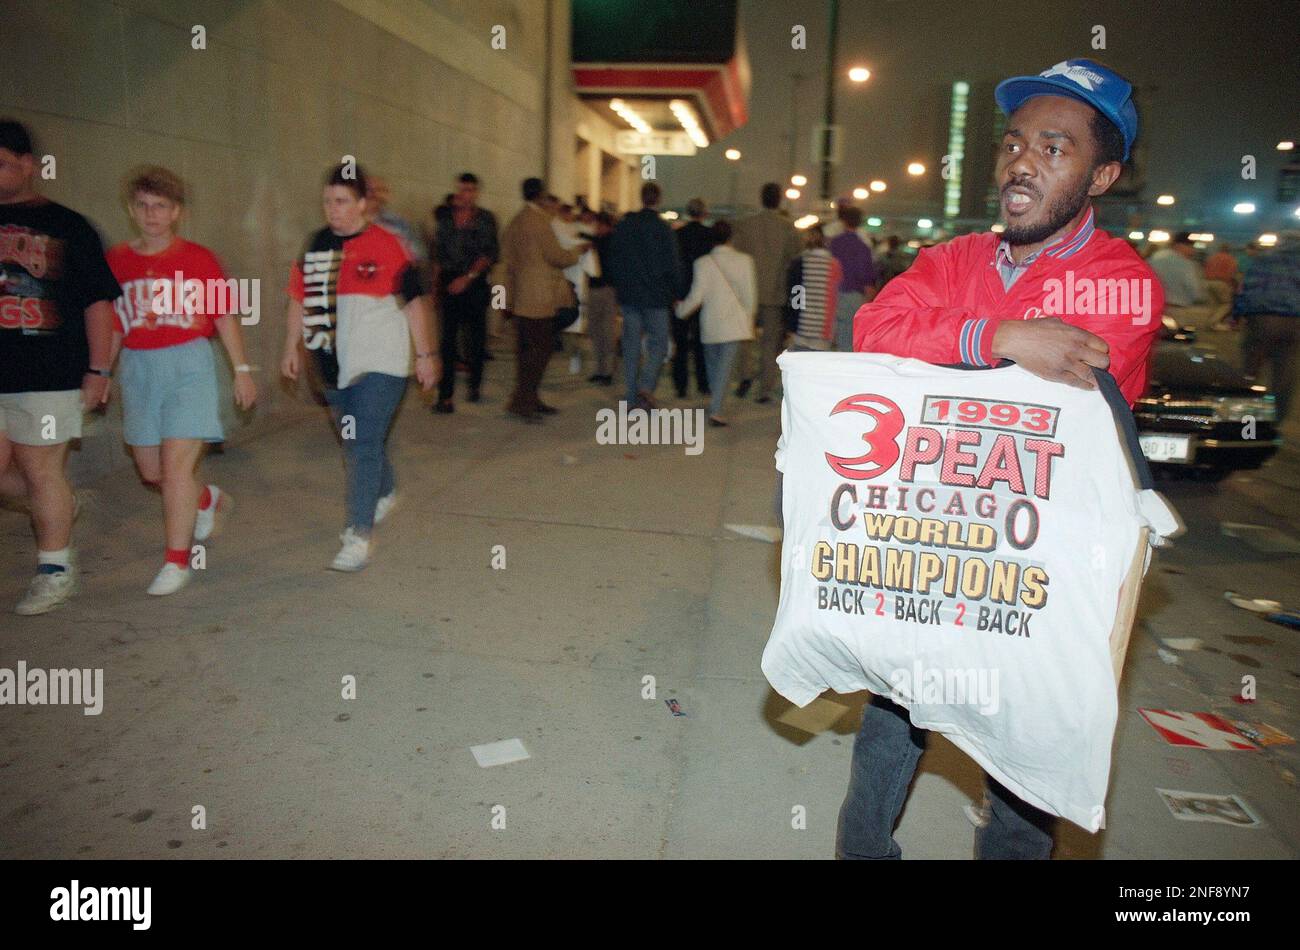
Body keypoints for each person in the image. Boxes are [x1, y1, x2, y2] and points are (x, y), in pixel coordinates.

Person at [846, 59, 1162, 859]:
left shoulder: (1122, 284)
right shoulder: (950, 261)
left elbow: (1070, 380)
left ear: (1103, 174)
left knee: (1024, 771)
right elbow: (872, 333)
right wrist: (998, 336)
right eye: (1014, 143)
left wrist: (951, 342)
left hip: (1038, 569)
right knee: (889, 723)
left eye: (1055, 147)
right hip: (929, 543)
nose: (1022, 161)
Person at [105, 165, 258, 596]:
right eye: (143, 206)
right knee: (151, 471)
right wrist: (101, 371)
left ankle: (177, 560)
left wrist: (241, 371)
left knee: (174, 470)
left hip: (189, 365)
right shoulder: (117, 260)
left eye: (161, 206)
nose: (152, 214)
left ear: (176, 212)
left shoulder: (198, 258)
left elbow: (225, 316)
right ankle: (207, 499)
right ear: (132, 210)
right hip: (138, 367)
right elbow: (114, 323)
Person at [280, 163, 437, 571]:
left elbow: (416, 303)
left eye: (342, 201)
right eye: (328, 202)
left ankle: (358, 533)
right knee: (355, 440)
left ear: (363, 204)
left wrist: (424, 355)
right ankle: (385, 489)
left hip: (382, 362)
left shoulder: (388, 244)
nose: (333, 210)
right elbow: (299, 296)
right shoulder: (316, 245)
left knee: (362, 445)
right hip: (331, 359)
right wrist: (290, 347)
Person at [0, 119, 119, 615]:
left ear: (29, 166)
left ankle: (55, 567)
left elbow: (98, 304)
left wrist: (100, 369)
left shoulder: (69, 226)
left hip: (47, 374)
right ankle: (63, 509)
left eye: (3, 163)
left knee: (39, 468)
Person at [498, 177, 585, 423]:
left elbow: (505, 261)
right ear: (541, 196)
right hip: (539, 298)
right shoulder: (539, 222)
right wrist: (577, 252)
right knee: (541, 351)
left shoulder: (515, 221)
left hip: (520, 297)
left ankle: (528, 399)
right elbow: (557, 256)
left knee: (525, 352)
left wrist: (502, 301)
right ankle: (523, 403)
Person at [606, 182, 681, 411]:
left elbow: (612, 258)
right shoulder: (663, 229)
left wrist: (618, 286)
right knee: (658, 344)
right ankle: (646, 388)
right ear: (658, 200)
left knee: (631, 345)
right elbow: (673, 264)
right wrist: (675, 292)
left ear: (641, 197)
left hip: (629, 296)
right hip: (656, 298)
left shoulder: (624, 226)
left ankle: (630, 396)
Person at [675, 220, 755, 427]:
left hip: (710, 325)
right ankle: (716, 409)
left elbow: (697, 296)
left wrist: (681, 311)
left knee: (714, 368)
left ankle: (716, 404)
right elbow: (750, 296)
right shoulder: (745, 261)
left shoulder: (702, 262)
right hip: (734, 325)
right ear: (731, 237)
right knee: (725, 369)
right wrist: (749, 319)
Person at [432, 172, 498, 412]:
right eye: (461, 189)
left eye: (470, 190)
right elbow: (438, 254)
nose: (465, 194)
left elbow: (489, 253)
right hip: (450, 284)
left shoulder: (486, 219)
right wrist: (435, 286)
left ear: (476, 193)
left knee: (475, 340)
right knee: (447, 342)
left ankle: (474, 384)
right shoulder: (446, 220)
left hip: (475, 284)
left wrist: (468, 278)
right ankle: (445, 395)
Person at [731, 182, 802, 403]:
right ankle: (764, 388)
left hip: (748, 291)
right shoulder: (788, 228)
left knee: (745, 337)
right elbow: (795, 259)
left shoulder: (745, 225)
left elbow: (735, 256)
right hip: (775, 292)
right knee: (770, 342)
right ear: (779, 199)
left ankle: (744, 374)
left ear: (761, 198)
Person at [1236, 231, 1300, 421]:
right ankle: (1274, 421)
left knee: (1250, 371)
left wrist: (1239, 314)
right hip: (1294, 323)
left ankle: (1245, 419)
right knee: (1284, 376)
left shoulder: (1263, 259)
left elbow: (1246, 287)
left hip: (1261, 321)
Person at [673, 198, 713, 398]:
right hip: (704, 295)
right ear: (704, 213)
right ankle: (703, 383)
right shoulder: (709, 236)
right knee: (701, 341)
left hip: (681, 294)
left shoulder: (678, 235)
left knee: (680, 343)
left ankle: (681, 386)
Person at [827, 206, 875, 351]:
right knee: (848, 338)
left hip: (832, 294)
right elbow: (866, 275)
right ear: (860, 222)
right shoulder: (863, 247)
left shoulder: (833, 243)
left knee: (830, 334)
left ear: (843, 222)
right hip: (854, 295)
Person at [786, 225, 841, 351]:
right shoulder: (834, 265)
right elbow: (835, 300)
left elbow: (795, 297)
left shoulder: (800, 262)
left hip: (801, 327)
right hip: (823, 330)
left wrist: (791, 325)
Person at [585, 212, 619, 386]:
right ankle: (600, 369)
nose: (597, 229)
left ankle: (606, 371)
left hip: (607, 289)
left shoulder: (611, 241)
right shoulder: (597, 241)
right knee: (596, 330)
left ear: (607, 225)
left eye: (599, 225)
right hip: (596, 288)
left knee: (606, 331)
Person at [1149, 232, 1209, 329]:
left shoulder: (1156, 257)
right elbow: (1193, 288)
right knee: (1175, 338)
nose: (1192, 250)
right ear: (1181, 245)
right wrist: (1200, 298)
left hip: (1154, 307)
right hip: (1177, 309)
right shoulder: (1186, 264)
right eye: (1190, 246)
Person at [1203, 242, 1242, 330]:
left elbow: (1205, 268)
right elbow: (1232, 274)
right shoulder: (1230, 259)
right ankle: (1213, 322)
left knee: (1214, 304)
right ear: (1229, 250)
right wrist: (1233, 286)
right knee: (1227, 304)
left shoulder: (1212, 258)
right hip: (1221, 283)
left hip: (1208, 282)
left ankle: (1212, 323)